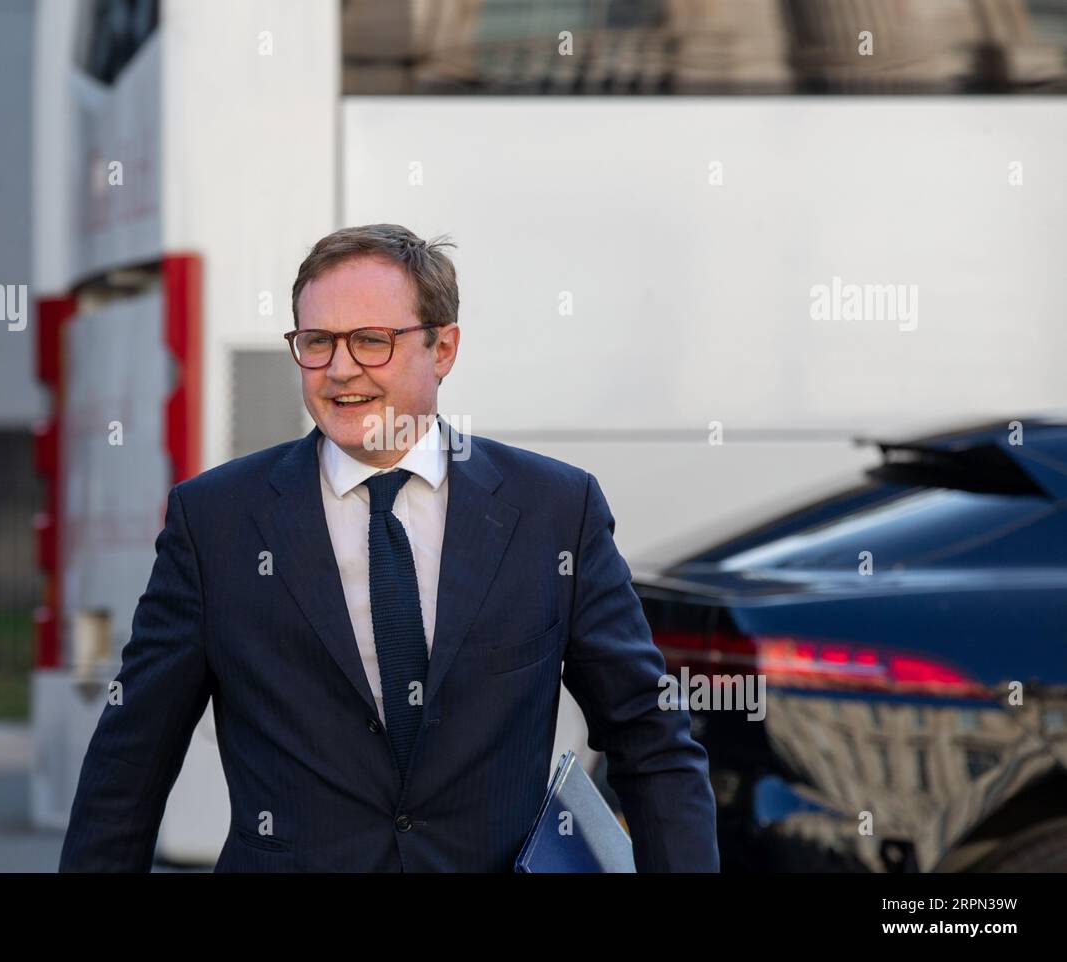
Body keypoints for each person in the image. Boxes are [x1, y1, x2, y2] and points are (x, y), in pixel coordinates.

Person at [58, 223, 718, 872]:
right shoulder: (215, 522)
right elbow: (130, 763)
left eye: (371, 341)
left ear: (443, 348)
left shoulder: (555, 513)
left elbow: (649, 738)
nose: (340, 369)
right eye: (317, 341)